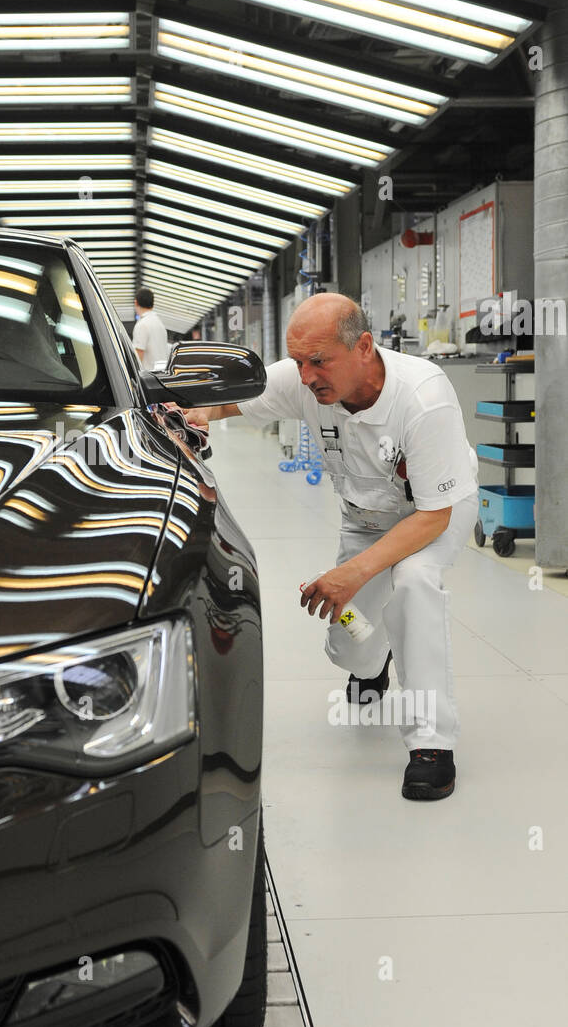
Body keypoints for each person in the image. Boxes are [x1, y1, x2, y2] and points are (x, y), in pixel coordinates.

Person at [185, 293, 479, 802]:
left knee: (413, 584)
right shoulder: (303, 377)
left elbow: (434, 516)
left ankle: (431, 743)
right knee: (352, 645)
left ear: (363, 347)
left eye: (318, 361)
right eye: (297, 361)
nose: (305, 376)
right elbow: (226, 402)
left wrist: (354, 573)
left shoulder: (422, 397)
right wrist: (197, 414)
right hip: (364, 519)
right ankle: (373, 665)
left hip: (434, 513)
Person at [132, 287, 169, 371]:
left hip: (149, 375)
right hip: (162, 374)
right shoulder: (160, 324)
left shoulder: (142, 325)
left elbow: (138, 356)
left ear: (136, 302)